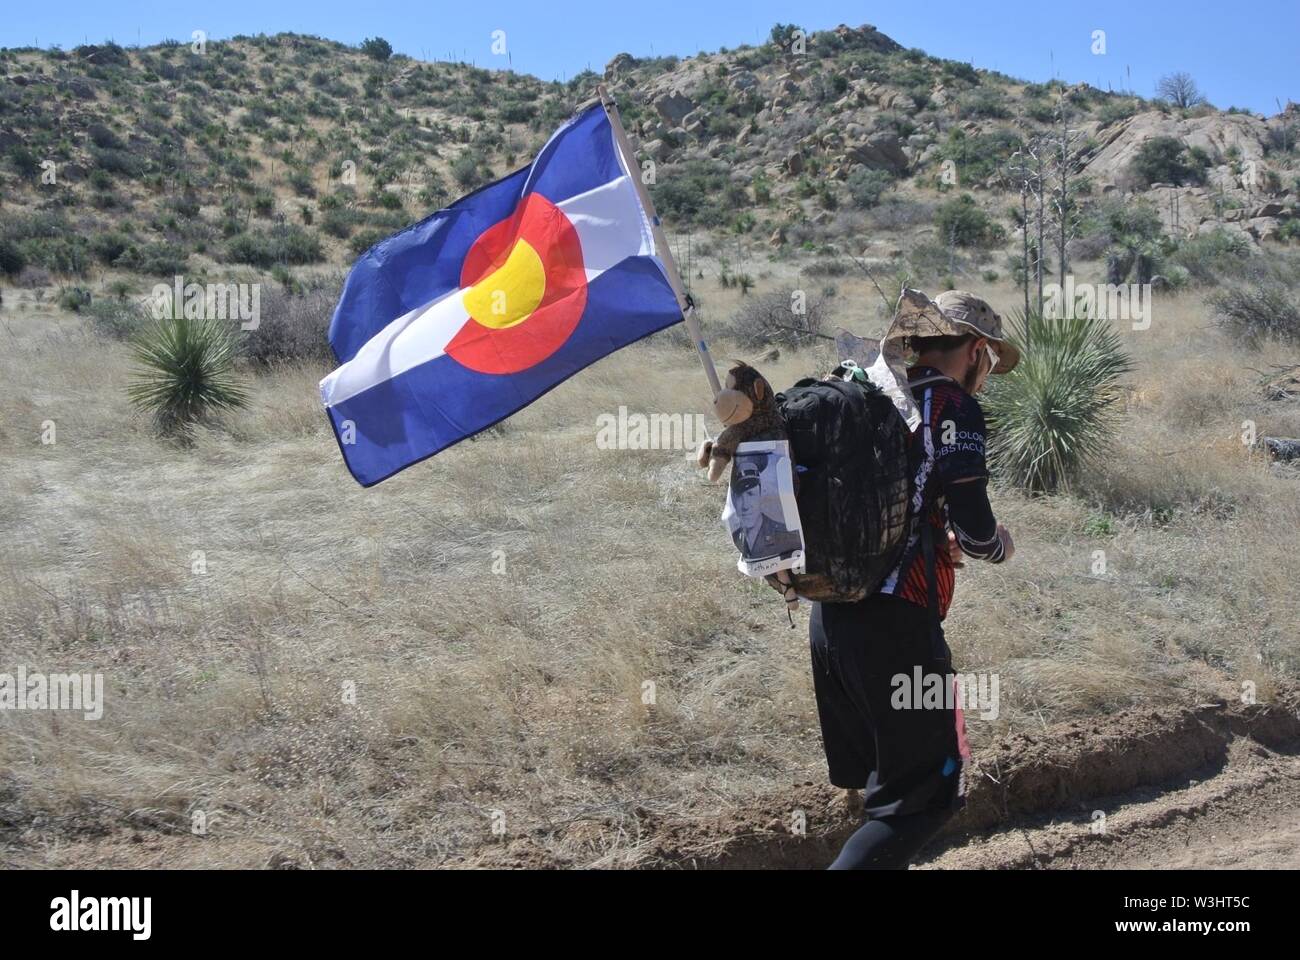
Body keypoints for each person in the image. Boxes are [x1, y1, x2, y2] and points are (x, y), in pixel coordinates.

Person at [809, 290, 1019, 870]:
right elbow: (976, 533)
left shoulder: (875, 393)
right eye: (989, 363)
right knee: (923, 796)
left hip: (831, 618)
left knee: (893, 791)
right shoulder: (950, 402)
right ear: (977, 351)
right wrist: (998, 544)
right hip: (897, 627)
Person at [731, 458, 802, 560]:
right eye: (739, 496)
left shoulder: (785, 535)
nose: (745, 505)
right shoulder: (736, 536)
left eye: (751, 494)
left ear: (761, 494)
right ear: (733, 499)